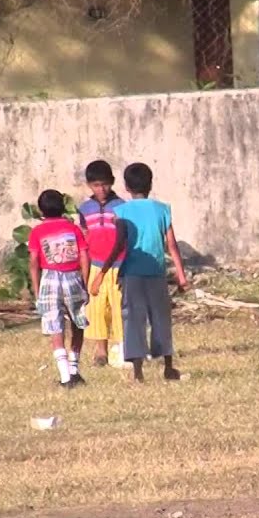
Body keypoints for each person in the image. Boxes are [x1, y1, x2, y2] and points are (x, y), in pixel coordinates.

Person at [90, 162, 189, 382]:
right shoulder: (162, 209)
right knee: (161, 319)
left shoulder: (122, 212)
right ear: (150, 184)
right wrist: (181, 276)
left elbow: (119, 246)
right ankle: (168, 367)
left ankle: (138, 373)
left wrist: (102, 273)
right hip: (156, 272)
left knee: (133, 320)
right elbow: (172, 245)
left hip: (132, 275)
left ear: (126, 186)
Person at [28, 189, 91, 388]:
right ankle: (74, 369)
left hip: (50, 278)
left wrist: (37, 290)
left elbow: (34, 262)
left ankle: (65, 377)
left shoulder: (37, 232)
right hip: (73, 276)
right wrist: (85, 282)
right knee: (78, 322)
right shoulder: (73, 229)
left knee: (55, 325)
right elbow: (84, 256)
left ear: (41, 210)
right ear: (63, 206)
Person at [77, 160, 126, 368]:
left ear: (112, 182)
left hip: (118, 265)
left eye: (105, 184)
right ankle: (100, 351)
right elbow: (84, 238)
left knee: (118, 306)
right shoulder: (84, 209)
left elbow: (125, 238)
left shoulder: (122, 206)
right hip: (95, 264)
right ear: (89, 185)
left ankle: (121, 349)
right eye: (96, 185)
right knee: (96, 308)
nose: (101, 189)